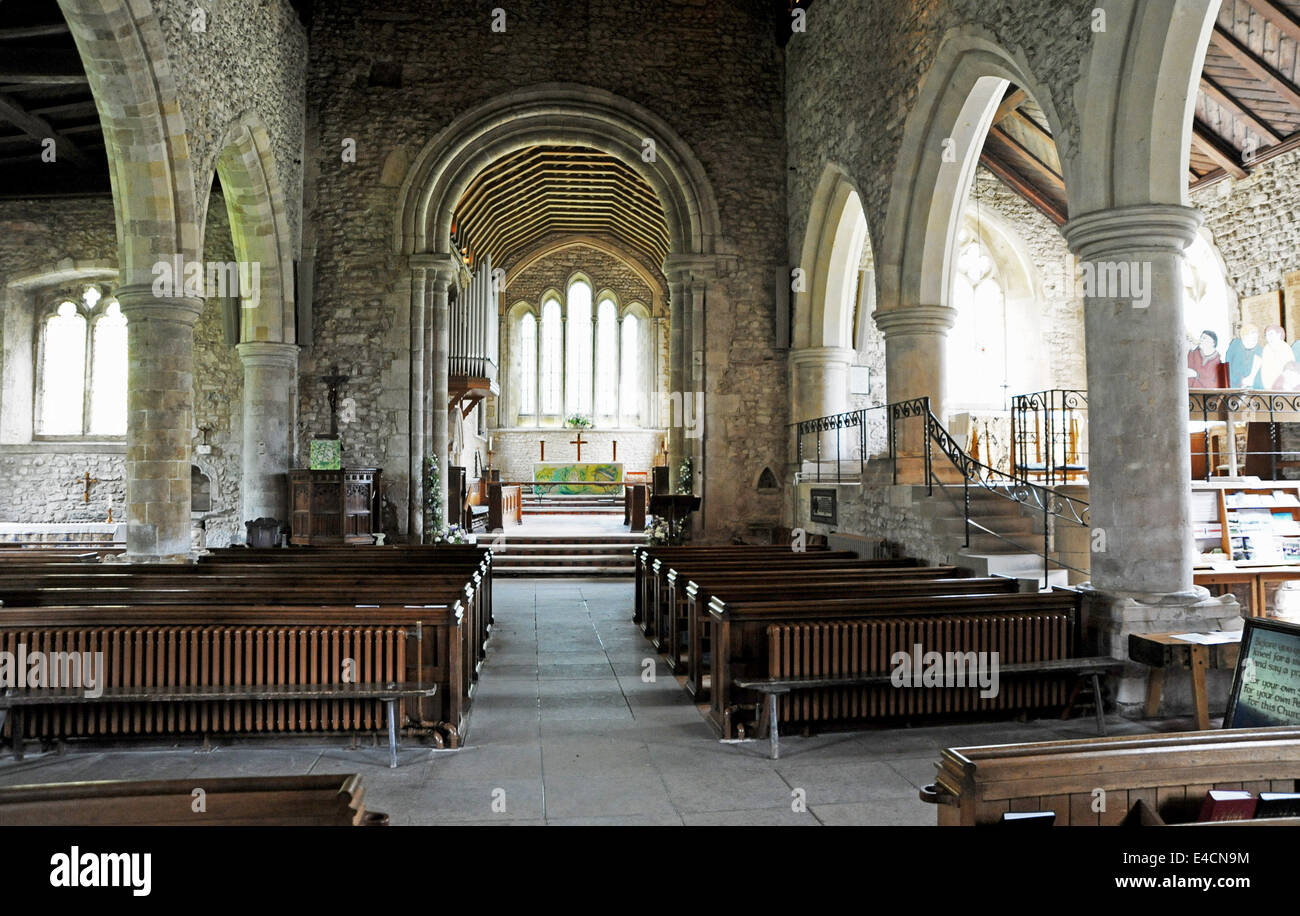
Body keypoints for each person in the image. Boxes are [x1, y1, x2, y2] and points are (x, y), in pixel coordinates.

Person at [1261, 325, 1293, 390]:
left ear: (1279, 334)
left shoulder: (1286, 348)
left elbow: (1290, 369)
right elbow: (1264, 369)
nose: (1268, 337)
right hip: (1269, 383)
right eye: (1266, 335)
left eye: (1271, 334)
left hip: (1284, 384)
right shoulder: (1266, 348)